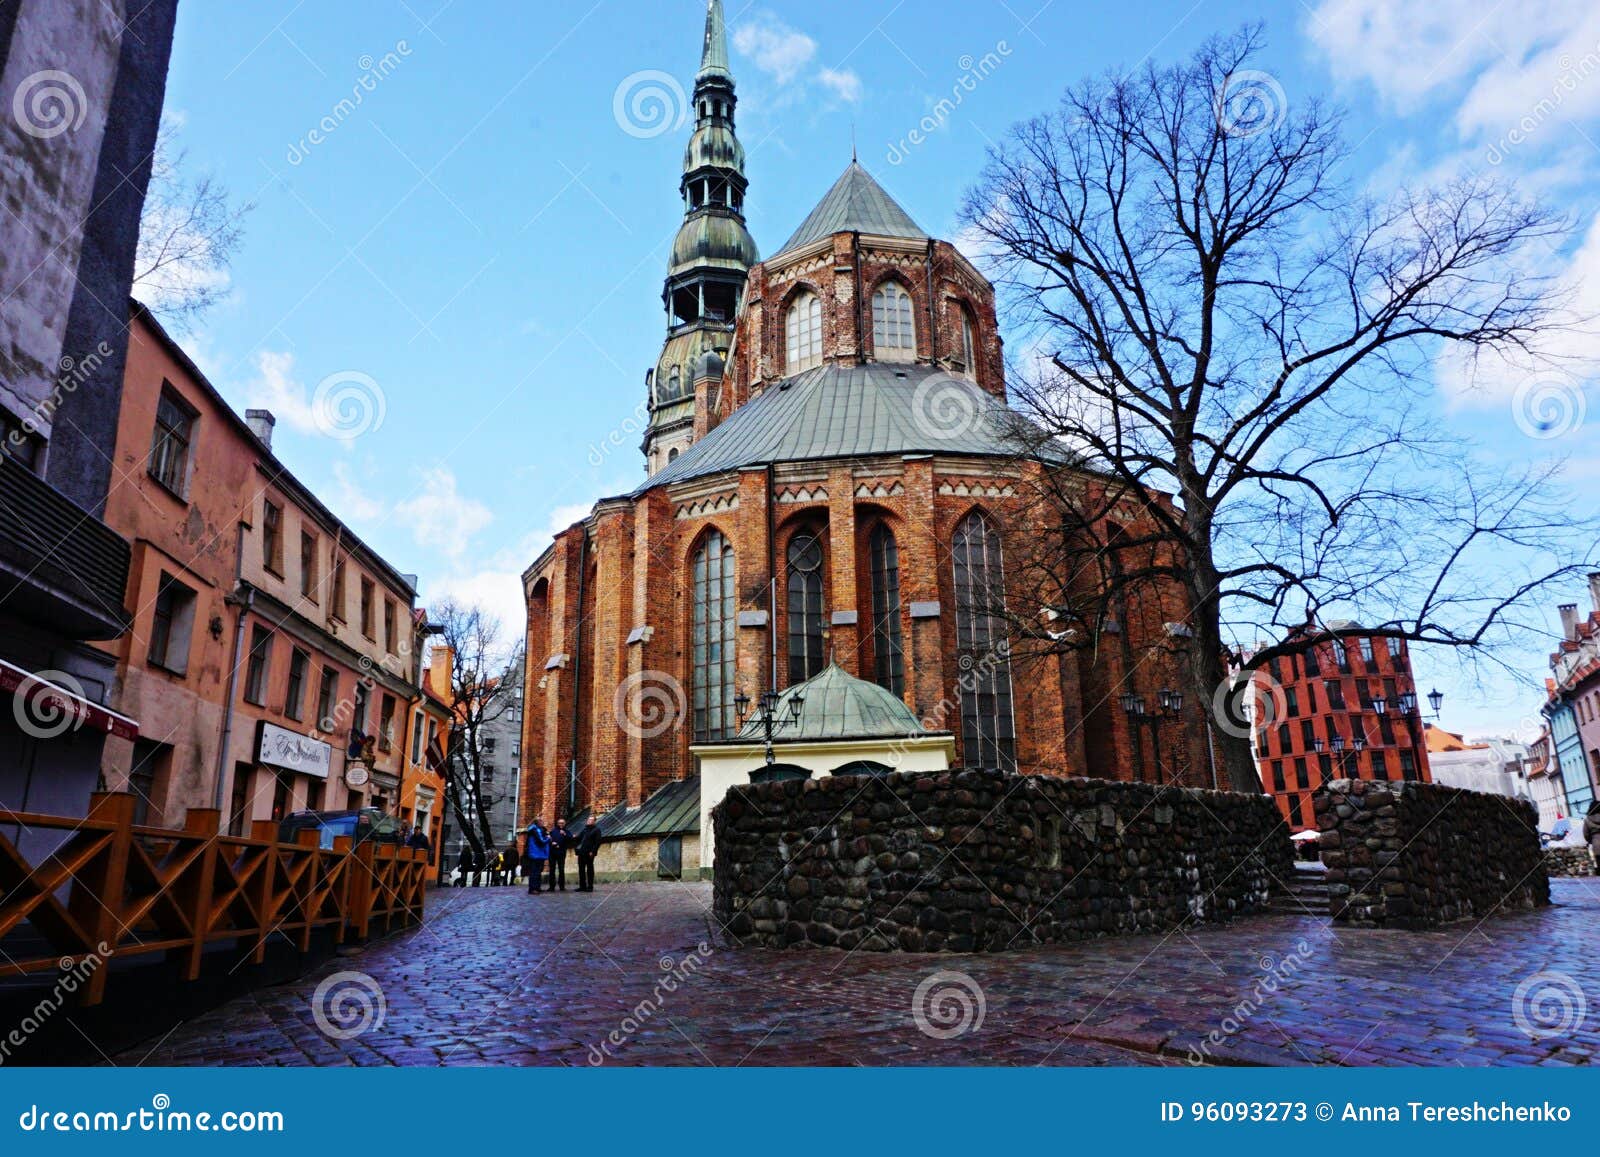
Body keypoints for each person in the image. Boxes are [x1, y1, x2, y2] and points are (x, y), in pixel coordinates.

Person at [573, 813, 602, 892]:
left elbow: (598, 842)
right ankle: (582, 886)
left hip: (589, 853)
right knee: (581, 869)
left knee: (589, 869)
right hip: (581, 852)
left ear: (594, 822)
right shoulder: (584, 829)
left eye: (591, 820)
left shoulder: (596, 830)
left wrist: (593, 851)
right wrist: (575, 837)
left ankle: (590, 886)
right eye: (588, 820)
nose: (589, 821)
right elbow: (579, 838)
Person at [524, 820, 551, 894]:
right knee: (534, 872)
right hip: (535, 854)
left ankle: (537, 887)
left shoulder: (538, 830)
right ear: (537, 823)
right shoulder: (535, 830)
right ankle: (533, 888)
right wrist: (548, 838)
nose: (543, 823)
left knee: (538, 872)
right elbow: (541, 841)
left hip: (539, 854)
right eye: (541, 822)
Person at [547, 817, 570, 892]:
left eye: (562, 823)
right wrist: (552, 843)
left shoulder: (567, 831)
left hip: (561, 853)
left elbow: (571, 840)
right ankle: (551, 886)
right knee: (552, 870)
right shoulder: (553, 831)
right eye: (560, 823)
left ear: (565, 824)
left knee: (561, 869)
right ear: (557, 824)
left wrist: (565, 834)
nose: (561, 824)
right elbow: (548, 840)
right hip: (552, 853)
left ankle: (562, 886)